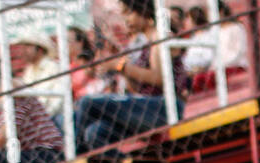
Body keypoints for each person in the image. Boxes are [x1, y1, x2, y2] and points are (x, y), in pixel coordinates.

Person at [71, 0, 190, 154]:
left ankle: (74, 159)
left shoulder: (159, 35)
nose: (126, 20)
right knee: (94, 132)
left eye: (129, 13)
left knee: (87, 103)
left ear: (143, 11)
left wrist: (121, 66)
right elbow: (137, 88)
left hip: (164, 107)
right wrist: (121, 70)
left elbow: (159, 78)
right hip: (145, 107)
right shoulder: (142, 42)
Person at [13, 33, 61, 117]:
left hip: (52, 118)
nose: (23, 51)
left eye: (28, 46)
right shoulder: (29, 70)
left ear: (40, 49)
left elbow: (56, 103)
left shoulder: (53, 67)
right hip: (36, 118)